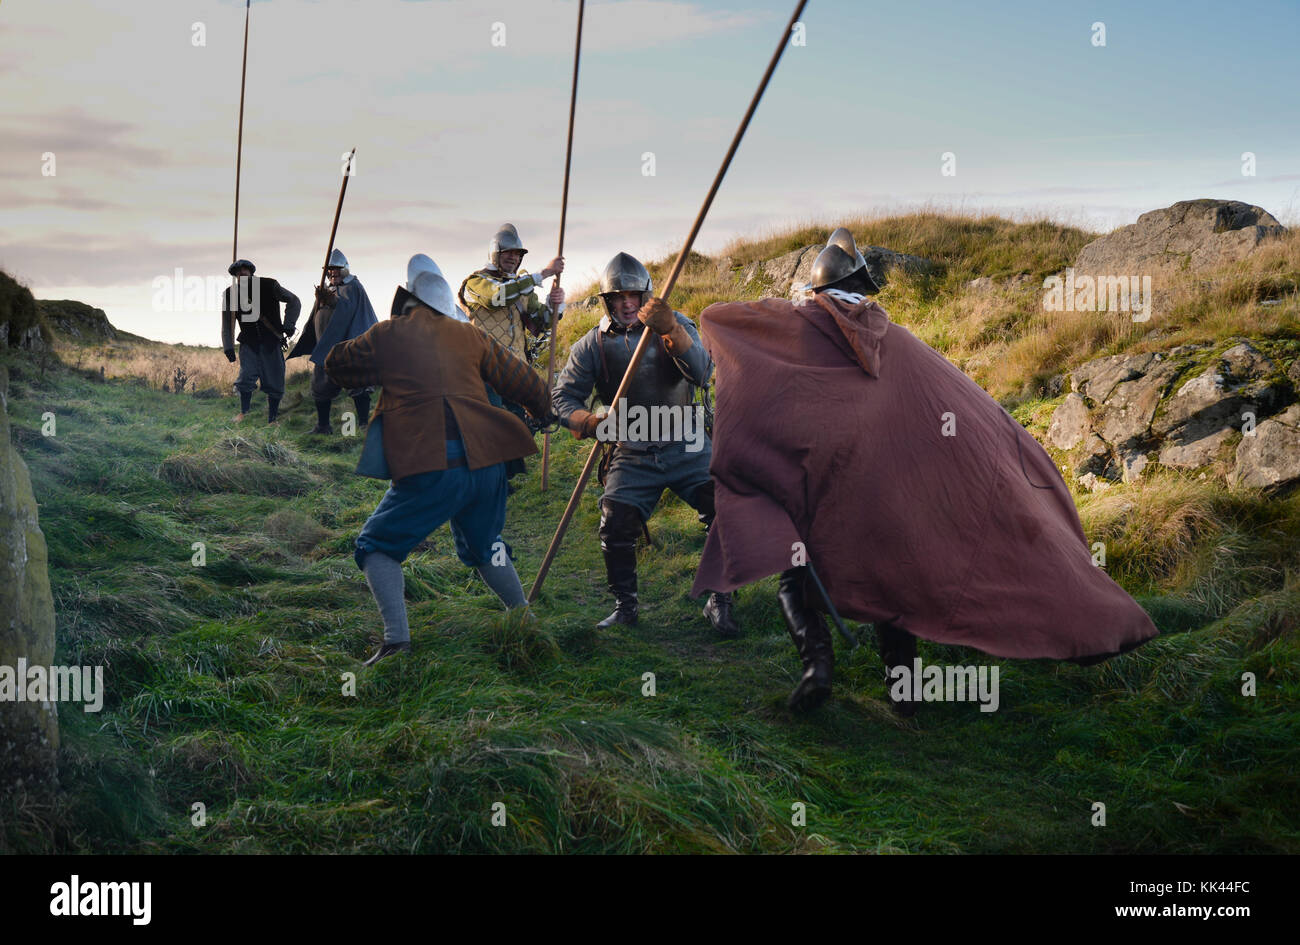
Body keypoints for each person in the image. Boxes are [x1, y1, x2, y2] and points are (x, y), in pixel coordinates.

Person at [691, 228, 1159, 712]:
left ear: (817, 290)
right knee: (894, 584)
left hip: (819, 486)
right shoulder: (894, 339)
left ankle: (818, 667)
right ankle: (905, 696)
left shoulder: (802, 326)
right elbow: (958, 400)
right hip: (886, 497)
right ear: (863, 290)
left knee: (795, 576)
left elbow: (719, 320)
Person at [324, 255, 566, 666]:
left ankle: (396, 642)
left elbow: (337, 365)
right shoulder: (469, 335)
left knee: (376, 546)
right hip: (488, 463)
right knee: (487, 544)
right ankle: (525, 621)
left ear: (407, 302)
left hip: (432, 463)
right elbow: (523, 380)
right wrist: (543, 411)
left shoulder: (389, 334)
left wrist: (344, 321)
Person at [552, 252, 739, 637]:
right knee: (615, 526)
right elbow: (561, 399)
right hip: (632, 448)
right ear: (606, 300)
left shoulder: (676, 324)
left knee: (725, 512)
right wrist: (589, 423)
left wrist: (671, 330)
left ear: (646, 295)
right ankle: (626, 607)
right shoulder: (593, 345)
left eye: (633, 295)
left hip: (687, 442)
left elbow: (703, 374)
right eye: (618, 296)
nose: (626, 303)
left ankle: (720, 599)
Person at [459, 224, 564, 478]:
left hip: (515, 370)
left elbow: (541, 322)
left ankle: (503, 477)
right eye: (508, 253)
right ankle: (490, 481)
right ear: (495, 254)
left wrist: (553, 306)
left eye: (517, 255)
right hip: (483, 370)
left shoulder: (521, 287)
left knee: (525, 423)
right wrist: (543, 274)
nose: (513, 258)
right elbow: (497, 297)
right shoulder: (476, 283)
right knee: (492, 428)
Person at [286, 248, 378, 435]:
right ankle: (323, 426)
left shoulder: (354, 287)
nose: (333, 272)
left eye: (336, 268)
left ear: (345, 268)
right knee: (320, 386)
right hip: (326, 348)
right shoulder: (327, 288)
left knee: (357, 385)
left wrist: (333, 301)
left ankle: (362, 425)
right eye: (330, 269)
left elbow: (347, 310)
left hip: (348, 349)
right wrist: (322, 300)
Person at [221, 259, 301, 424]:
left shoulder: (269, 285)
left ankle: (272, 419)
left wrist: (289, 324)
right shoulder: (230, 294)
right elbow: (227, 323)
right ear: (235, 275)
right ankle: (244, 413)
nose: (241, 273)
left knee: (275, 381)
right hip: (248, 344)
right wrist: (228, 346)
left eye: (244, 269)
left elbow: (294, 301)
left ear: (251, 271)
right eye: (238, 271)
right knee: (245, 379)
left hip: (271, 342)